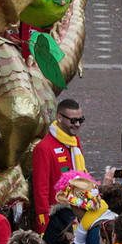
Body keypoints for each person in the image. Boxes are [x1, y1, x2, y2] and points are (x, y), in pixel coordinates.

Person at [31, 100, 86, 233]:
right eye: (73, 121)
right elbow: (40, 190)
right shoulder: (43, 148)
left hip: (76, 210)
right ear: (59, 118)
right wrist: (44, 223)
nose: (77, 124)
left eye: (80, 120)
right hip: (57, 216)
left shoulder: (74, 141)